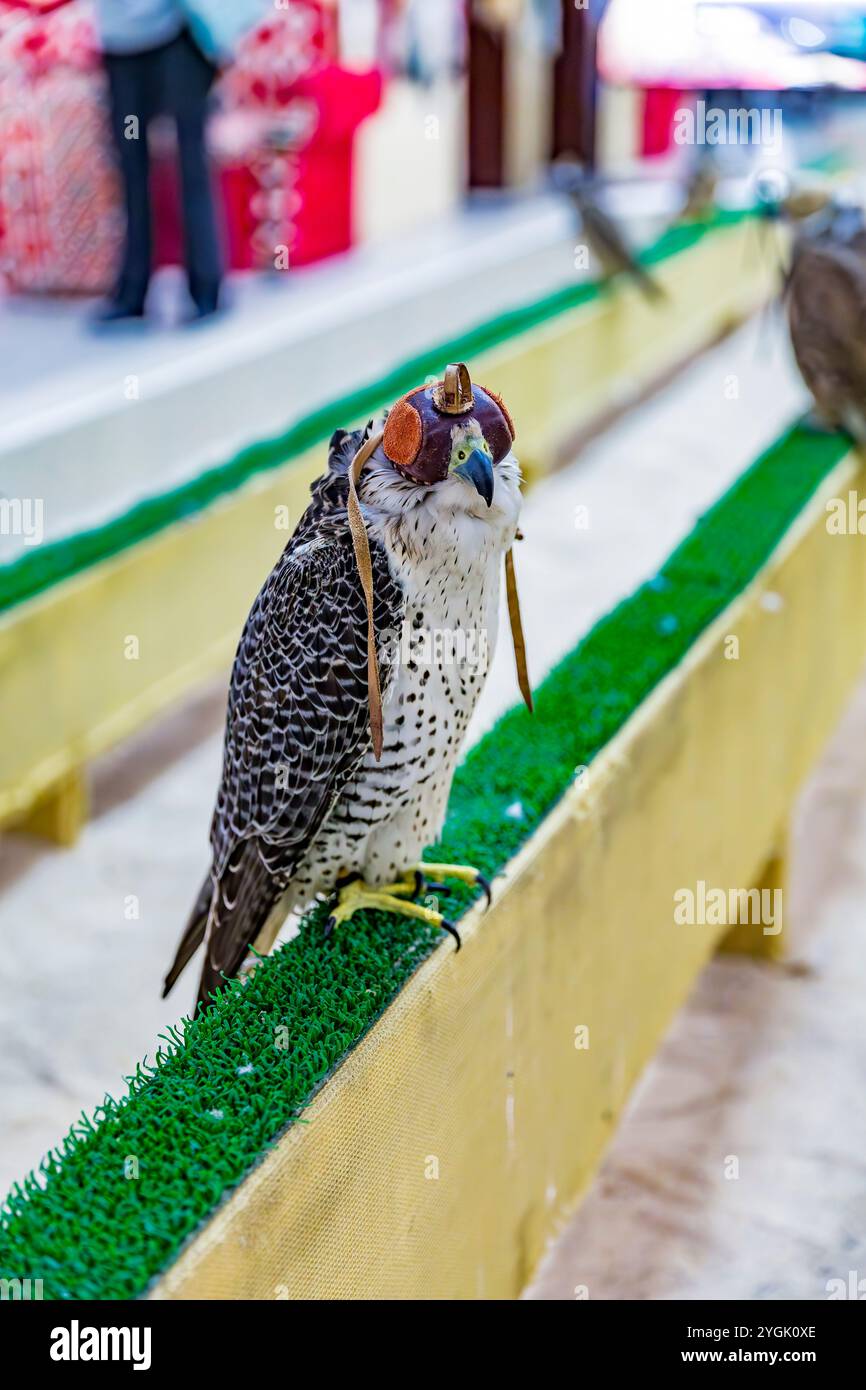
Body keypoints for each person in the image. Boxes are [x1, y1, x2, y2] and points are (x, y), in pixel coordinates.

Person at [93, 1, 224, 322]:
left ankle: (206, 287)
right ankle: (132, 290)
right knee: (131, 164)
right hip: (121, 47)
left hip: (179, 36)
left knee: (191, 161)